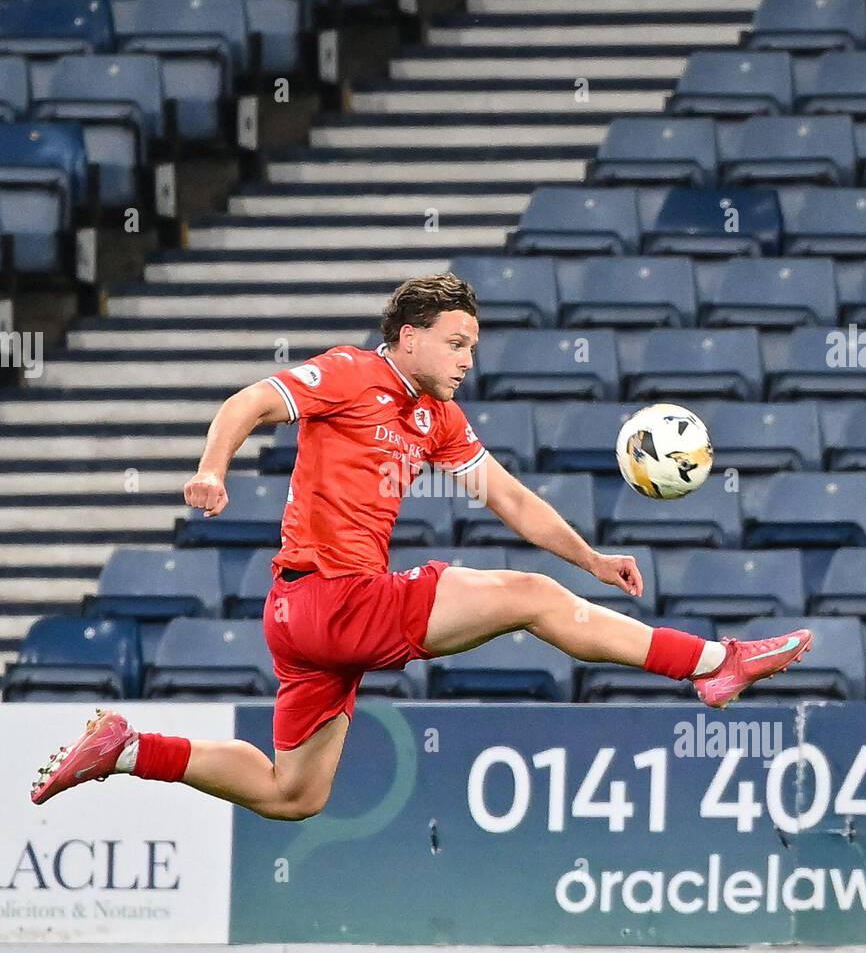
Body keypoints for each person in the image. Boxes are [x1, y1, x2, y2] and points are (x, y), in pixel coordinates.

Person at [31, 273, 811, 815]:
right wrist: (210, 471)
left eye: (473, 345)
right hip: (331, 597)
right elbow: (246, 403)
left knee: (292, 795)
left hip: (306, 625)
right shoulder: (348, 372)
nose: (469, 360)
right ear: (408, 338)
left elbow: (508, 497)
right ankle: (713, 663)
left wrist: (593, 560)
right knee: (529, 599)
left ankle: (129, 749)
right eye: (457, 343)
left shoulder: (436, 418)